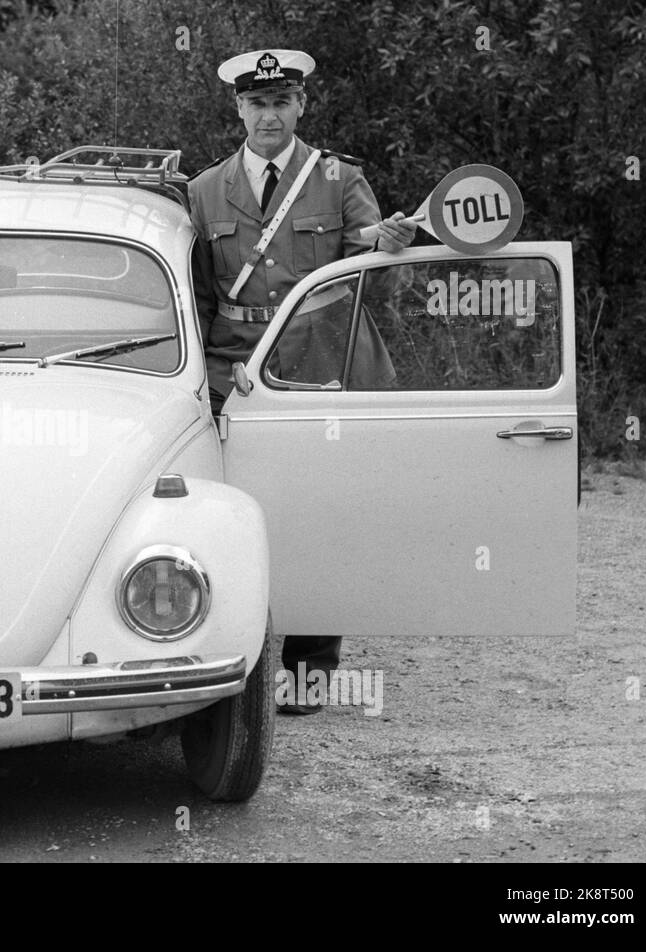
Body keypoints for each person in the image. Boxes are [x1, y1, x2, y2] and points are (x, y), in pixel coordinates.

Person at [188, 48, 416, 713]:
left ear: (301, 106)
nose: (269, 115)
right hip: (233, 368)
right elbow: (199, 296)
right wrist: (195, 378)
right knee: (229, 513)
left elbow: (371, 274)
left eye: (281, 102)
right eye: (257, 103)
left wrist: (386, 243)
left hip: (318, 366)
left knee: (319, 513)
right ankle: (227, 664)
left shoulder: (339, 180)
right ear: (238, 108)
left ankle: (310, 670)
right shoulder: (204, 190)